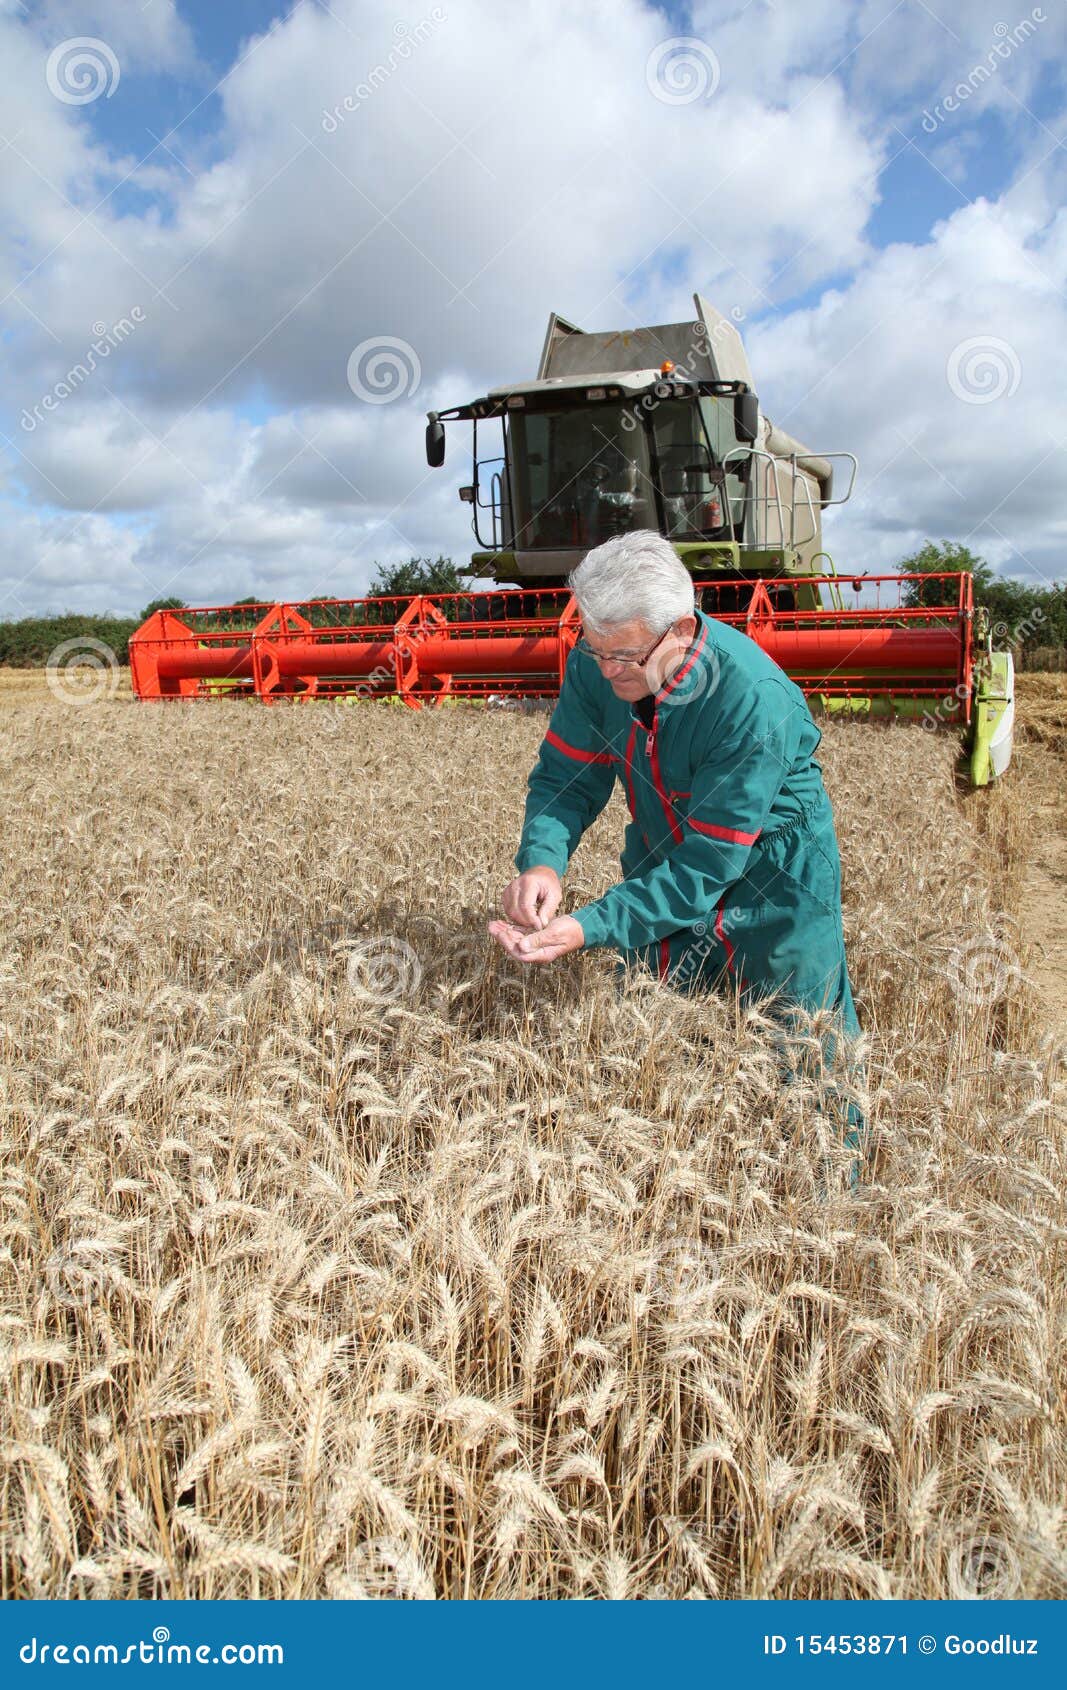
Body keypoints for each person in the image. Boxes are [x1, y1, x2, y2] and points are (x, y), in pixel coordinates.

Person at [487, 529, 867, 1183]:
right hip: (661, 850)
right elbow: (569, 776)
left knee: (801, 1038)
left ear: (682, 629)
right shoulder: (596, 661)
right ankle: (674, 1180)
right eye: (595, 649)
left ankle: (830, 1195)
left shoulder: (750, 700)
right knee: (655, 1028)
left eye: (626, 656)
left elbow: (705, 867)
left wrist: (586, 926)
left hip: (776, 874)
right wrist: (542, 862)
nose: (607, 672)